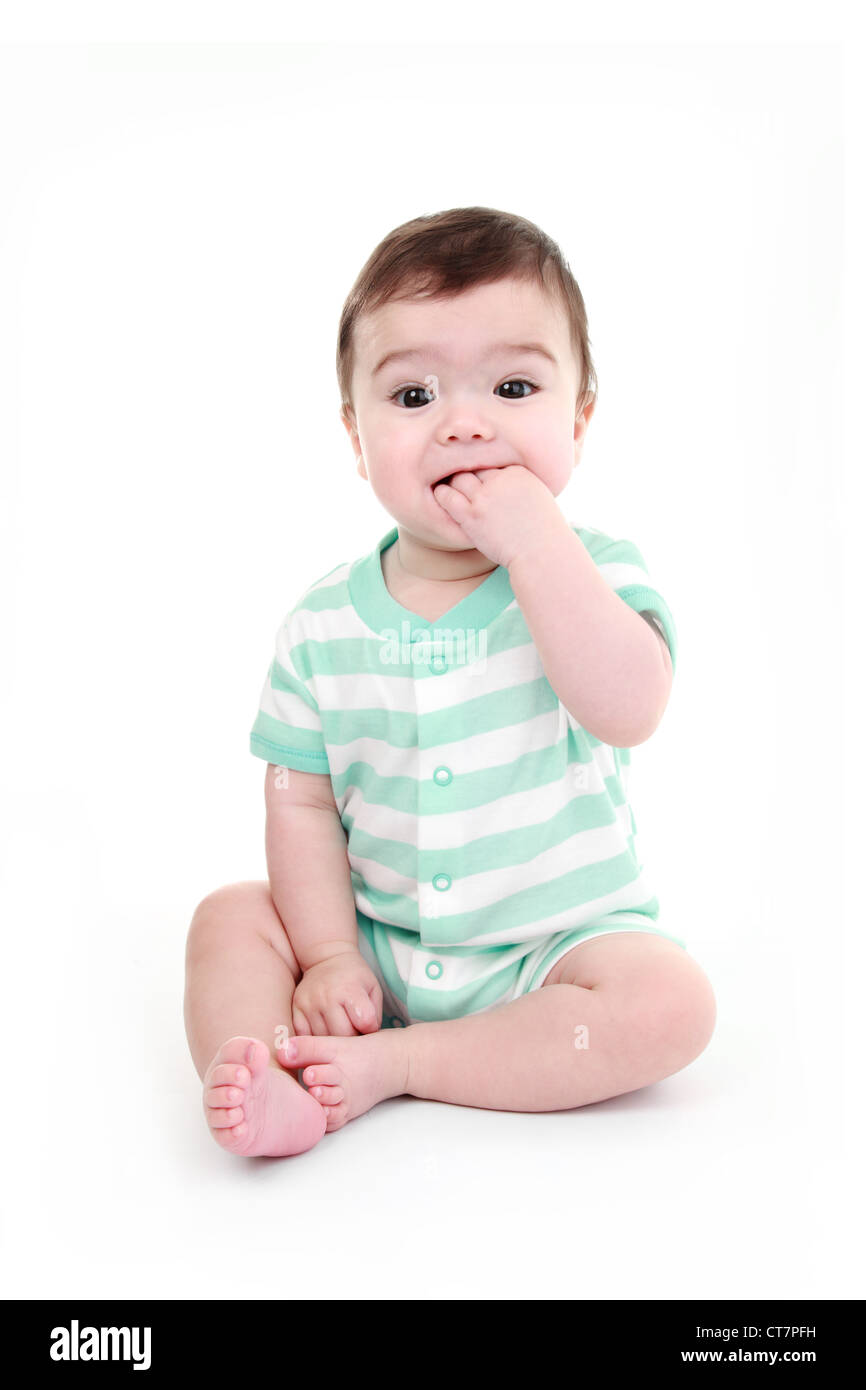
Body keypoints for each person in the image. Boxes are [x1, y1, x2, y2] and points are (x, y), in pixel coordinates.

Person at [183, 205, 716, 1157]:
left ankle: (402, 1065)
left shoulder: (595, 571)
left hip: (554, 956)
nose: (466, 424)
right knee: (228, 918)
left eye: (513, 386)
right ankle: (277, 1068)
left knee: (669, 1003)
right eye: (415, 397)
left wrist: (534, 543)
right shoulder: (319, 627)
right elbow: (300, 806)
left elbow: (629, 708)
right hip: (378, 948)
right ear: (355, 437)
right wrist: (331, 954)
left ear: (580, 420)